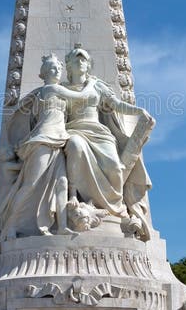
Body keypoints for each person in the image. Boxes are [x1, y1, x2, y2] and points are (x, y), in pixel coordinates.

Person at [0, 54, 95, 245]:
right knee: (30, 185)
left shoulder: (54, 92)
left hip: (59, 141)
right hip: (44, 140)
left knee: (62, 183)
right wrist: (91, 83)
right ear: (44, 73)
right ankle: (10, 226)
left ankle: (62, 226)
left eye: (59, 68)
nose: (57, 71)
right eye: (52, 68)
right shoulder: (50, 89)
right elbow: (82, 96)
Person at [63, 48, 155, 240]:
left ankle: (116, 209)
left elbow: (116, 105)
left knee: (115, 168)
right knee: (75, 145)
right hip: (75, 130)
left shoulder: (96, 85)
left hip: (99, 133)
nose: (80, 62)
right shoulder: (62, 88)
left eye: (83, 60)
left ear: (88, 65)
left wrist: (138, 111)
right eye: (76, 59)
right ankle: (72, 196)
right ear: (68, 65)